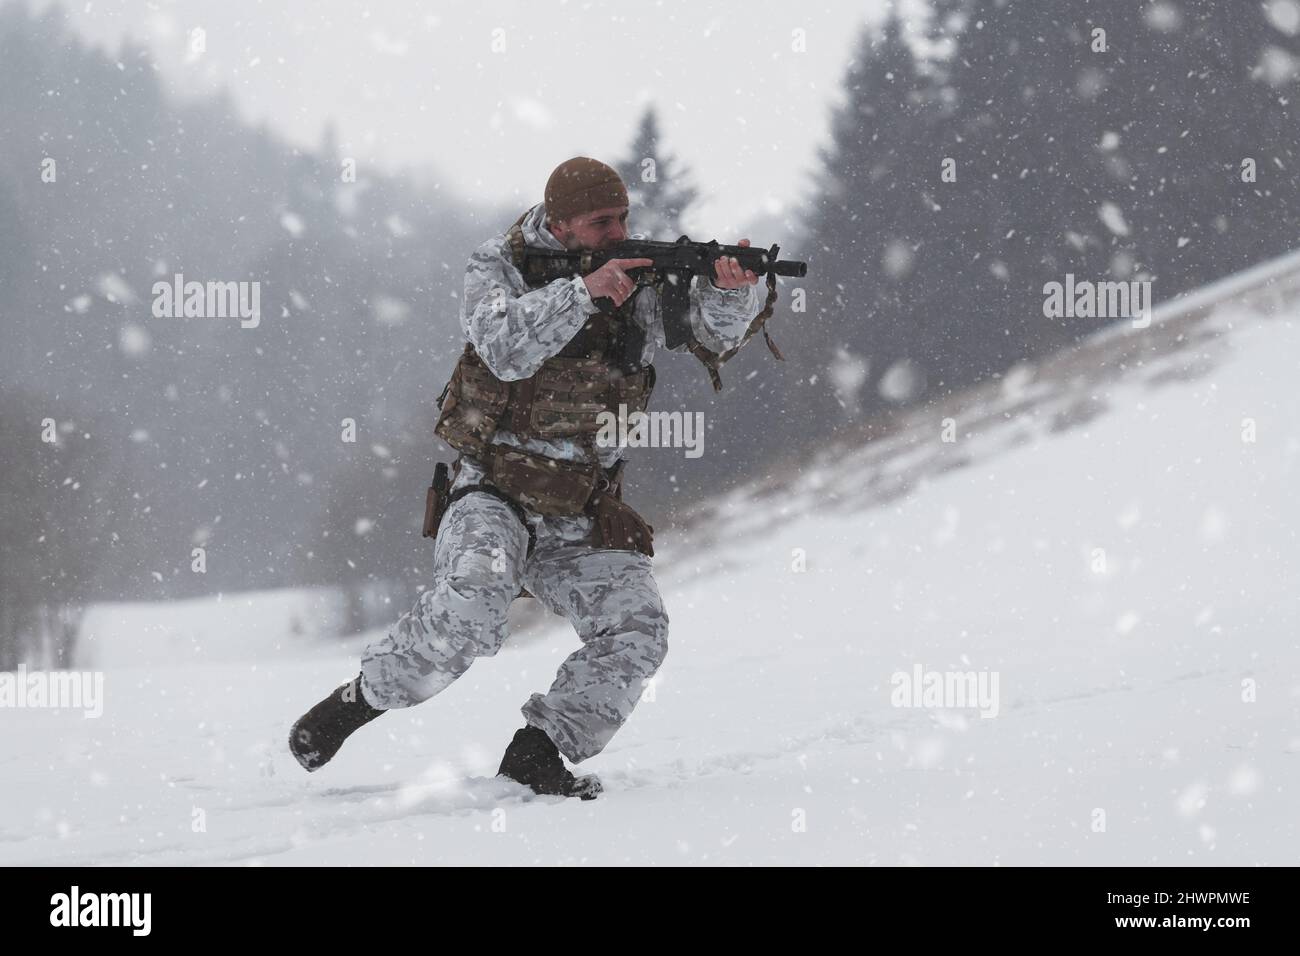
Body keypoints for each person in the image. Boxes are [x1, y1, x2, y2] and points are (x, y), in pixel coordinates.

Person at [289, 156, 764, 799]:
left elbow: (711, 336)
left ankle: (537, 754)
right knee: (471, 611)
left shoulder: (641, 276)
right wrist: (584, 291)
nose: (618, 231)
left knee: (637, 630)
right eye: (601, 222)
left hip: (582, 508)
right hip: (493, 492)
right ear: (560, 222)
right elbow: (501, 348)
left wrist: (732, 290)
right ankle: (360, 699)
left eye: (623, 217)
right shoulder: (499, 263)